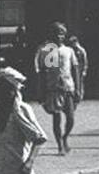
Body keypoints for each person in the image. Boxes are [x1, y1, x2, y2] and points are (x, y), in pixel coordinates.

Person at [34, 22, 80, 155]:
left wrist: (78, 88)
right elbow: (43, 72)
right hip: (53, 89)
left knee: (70, 118)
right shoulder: (48, 50)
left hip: (68, 87)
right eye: (56, 33)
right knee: (57, 117)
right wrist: (41, 90)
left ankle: (65, 137)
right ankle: (60, 144)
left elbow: (75, 69)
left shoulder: (69, 51)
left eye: (61, 33)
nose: (58, 36)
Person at [67, 34, 90, 103]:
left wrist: (84, 71)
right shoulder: (71, 50)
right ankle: (73, 96)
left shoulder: (81, 50)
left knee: (80, 83)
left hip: (80, 69)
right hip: (72, 69)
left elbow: (85, 61)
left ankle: (79, 96)